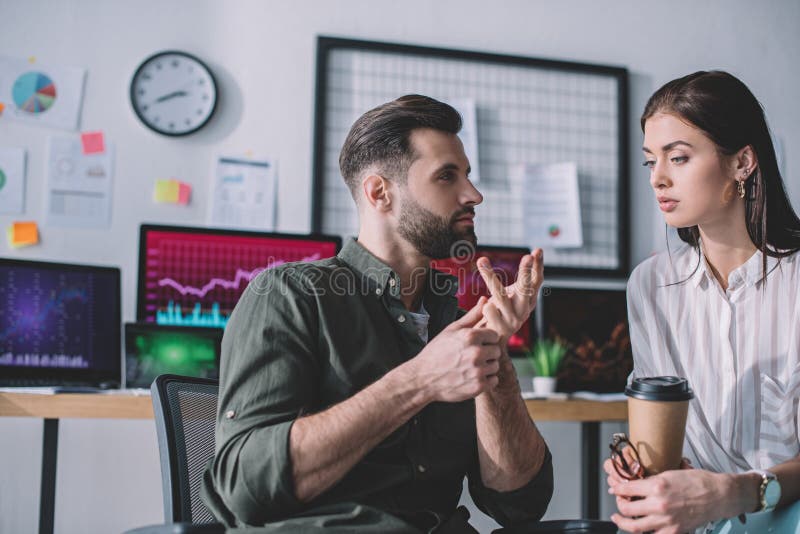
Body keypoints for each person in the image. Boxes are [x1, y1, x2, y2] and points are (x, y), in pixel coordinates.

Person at [201, 94, 553, 532]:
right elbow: (243, 488)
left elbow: (518, 504)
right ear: (379, 192)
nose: (474, 195)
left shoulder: (455, 322)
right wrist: (420, 380)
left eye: (468, 176)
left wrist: (495, 368)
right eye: (447, 176)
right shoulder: (289, 296)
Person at [605, 71, 800, 533]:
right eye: (650, 161)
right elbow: (661, 435)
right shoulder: (651, 286)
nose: (659, 179)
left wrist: (737, 491)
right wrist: (643, 471)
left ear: (743, 163)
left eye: (678, 157)